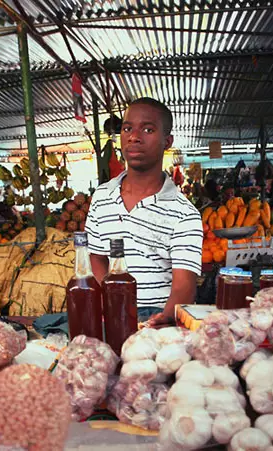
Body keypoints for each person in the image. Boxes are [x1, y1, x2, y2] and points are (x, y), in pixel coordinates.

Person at [85, 97, 203, 326]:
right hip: (112, 317)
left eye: (148, 129)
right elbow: (97, 258)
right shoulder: (101, 198)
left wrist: (162, 321)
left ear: (167, 141)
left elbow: (184, 287)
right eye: (127, 128)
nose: (134, 137)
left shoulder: (184, 213)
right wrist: (107, 301)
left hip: (158, 321)